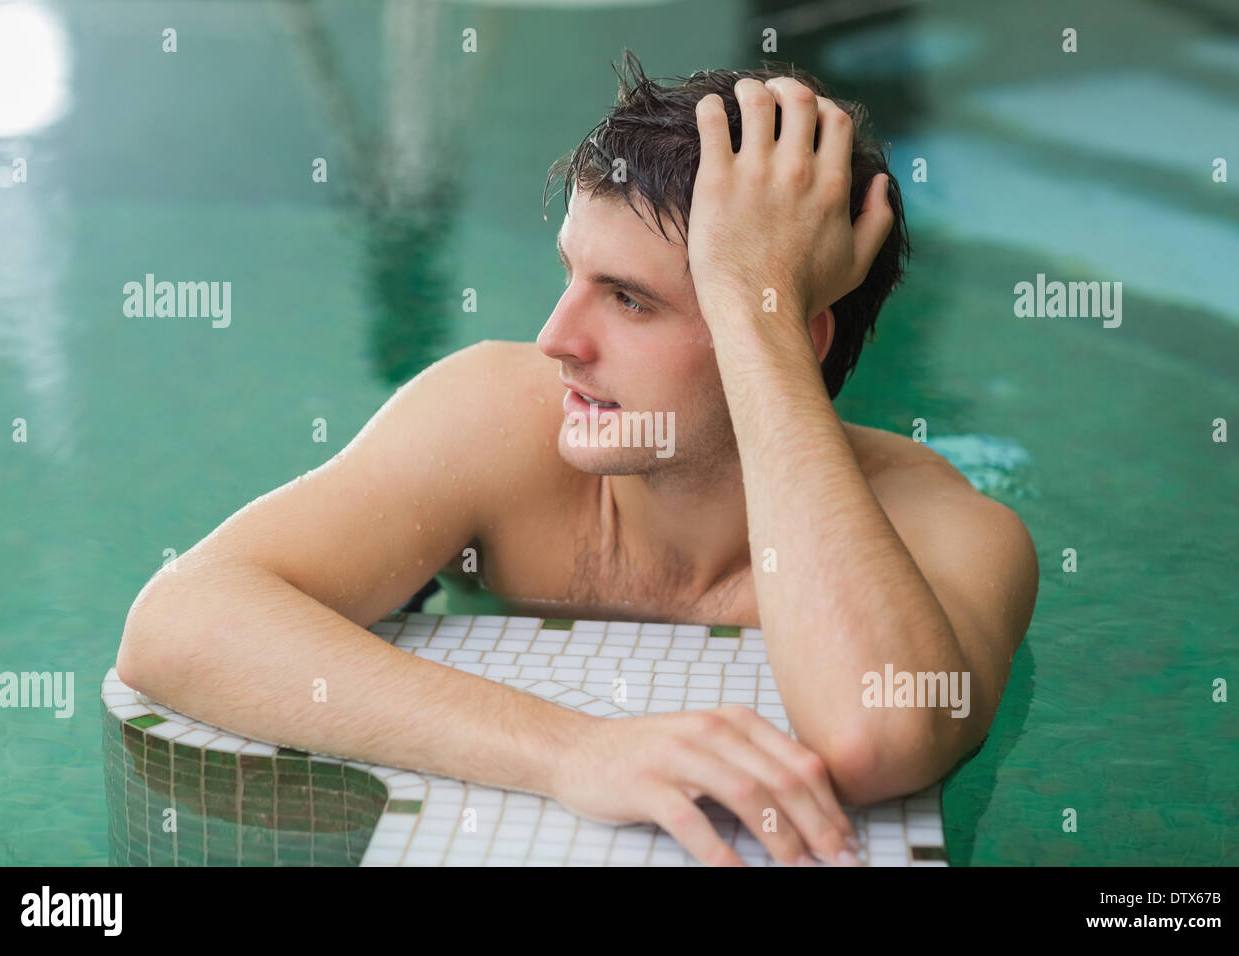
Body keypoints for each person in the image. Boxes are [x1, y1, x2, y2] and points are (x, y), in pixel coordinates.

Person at [118, 53, 1038, 867]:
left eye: (629, 301)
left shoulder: (946, 528)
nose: (558, 340)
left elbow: (879, 737)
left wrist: (758, 314)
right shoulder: (492, 419)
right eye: (571, 274)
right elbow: (177, 625)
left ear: (794, 336)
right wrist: (572, 751)